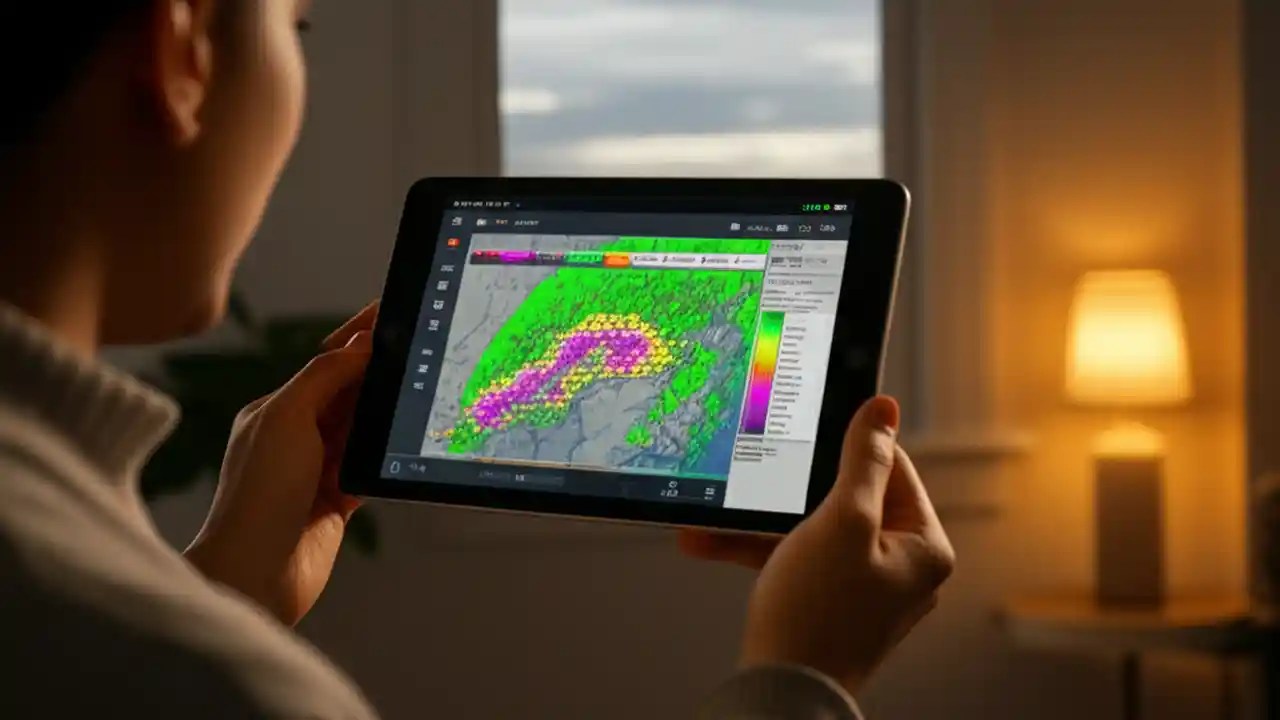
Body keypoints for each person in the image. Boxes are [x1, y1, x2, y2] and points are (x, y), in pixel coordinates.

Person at [0, 1, 955, 718]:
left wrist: (223, 590)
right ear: (181, 52)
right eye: (296, 22)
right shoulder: (229, 693)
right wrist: (803, 678)